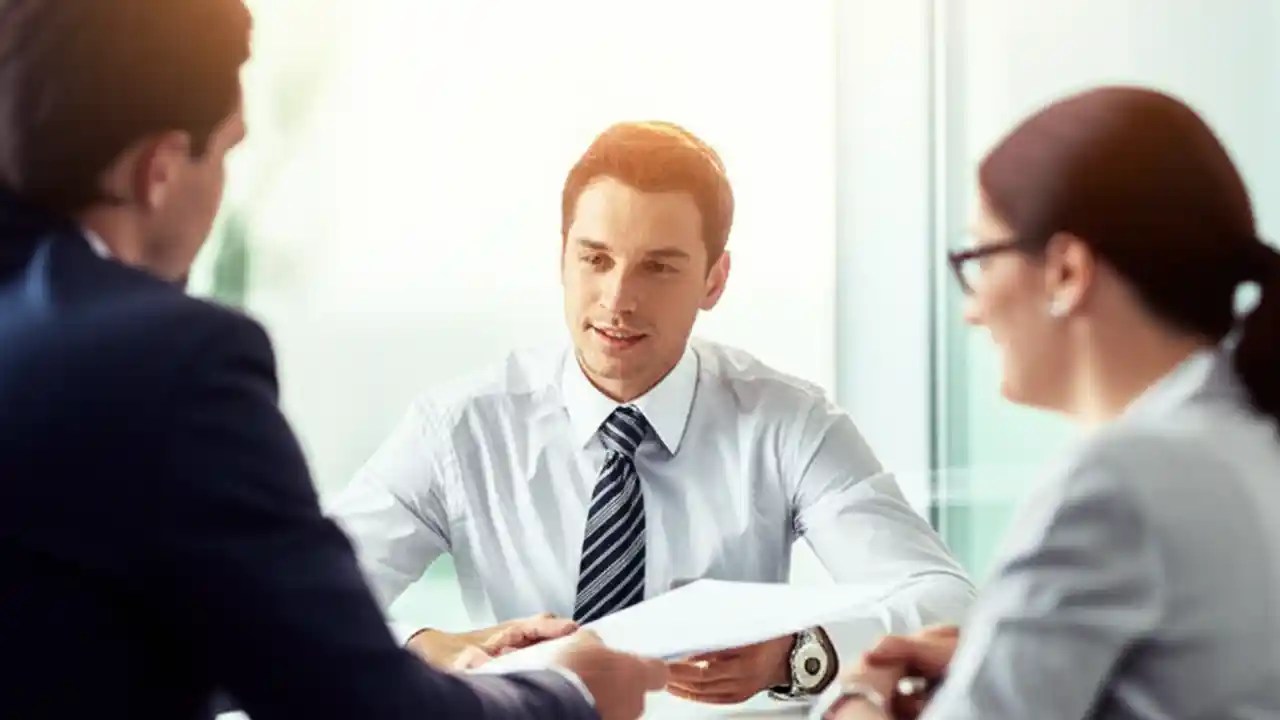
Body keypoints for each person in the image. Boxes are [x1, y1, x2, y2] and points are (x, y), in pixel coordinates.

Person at [0, 2, 666, 719]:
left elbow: (72, 634)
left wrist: (397, 655)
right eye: (225, 151)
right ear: (159, 171)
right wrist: (569, 693)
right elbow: (358, 707)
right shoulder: (168, 361)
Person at [331, 120, 976, 705]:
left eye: (658, 269)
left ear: (714, 281)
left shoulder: (786, 423)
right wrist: (427, 646)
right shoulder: (459, 429)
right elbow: (298, 600)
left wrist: (799, 653)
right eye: (596, 259)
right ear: (562, 258)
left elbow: (948, 603)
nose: (618, 299)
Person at [819, 86, 1280, 719]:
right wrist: (1006, 656)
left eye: (978, 258)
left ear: (1066, 271)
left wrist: (854, 695)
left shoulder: (1119, 480)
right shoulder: (1249, 438)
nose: (972, 309)